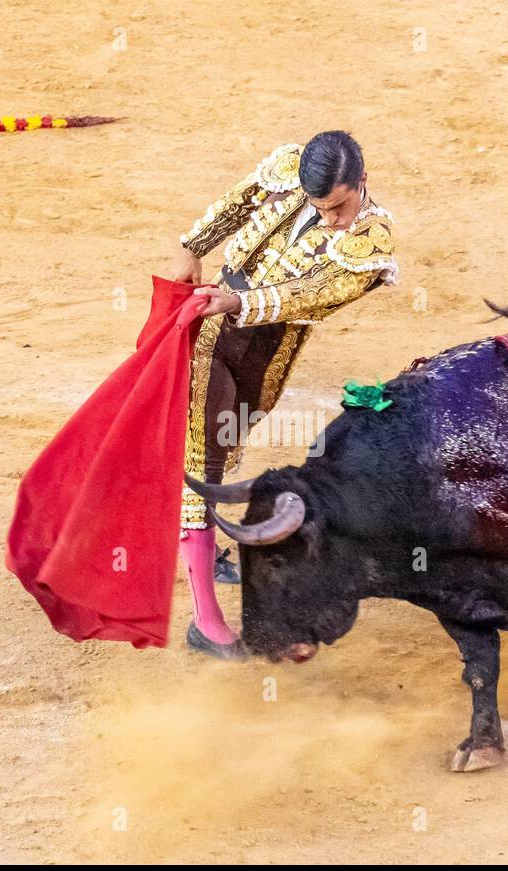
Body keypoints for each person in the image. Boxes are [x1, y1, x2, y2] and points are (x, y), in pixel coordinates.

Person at [169, 130, 398, 659]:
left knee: (225, 444)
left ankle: (198, 549)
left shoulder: (372, 243)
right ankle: (206, 619)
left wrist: (235, 304)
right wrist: (191, 246)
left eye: (338, 207)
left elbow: (309, 296)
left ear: (361, 181)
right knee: (202, 462)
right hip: (208, 330)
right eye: (319, 207)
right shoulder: (291, 167)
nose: (329, 219)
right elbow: (241, 198)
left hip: (262, 351)